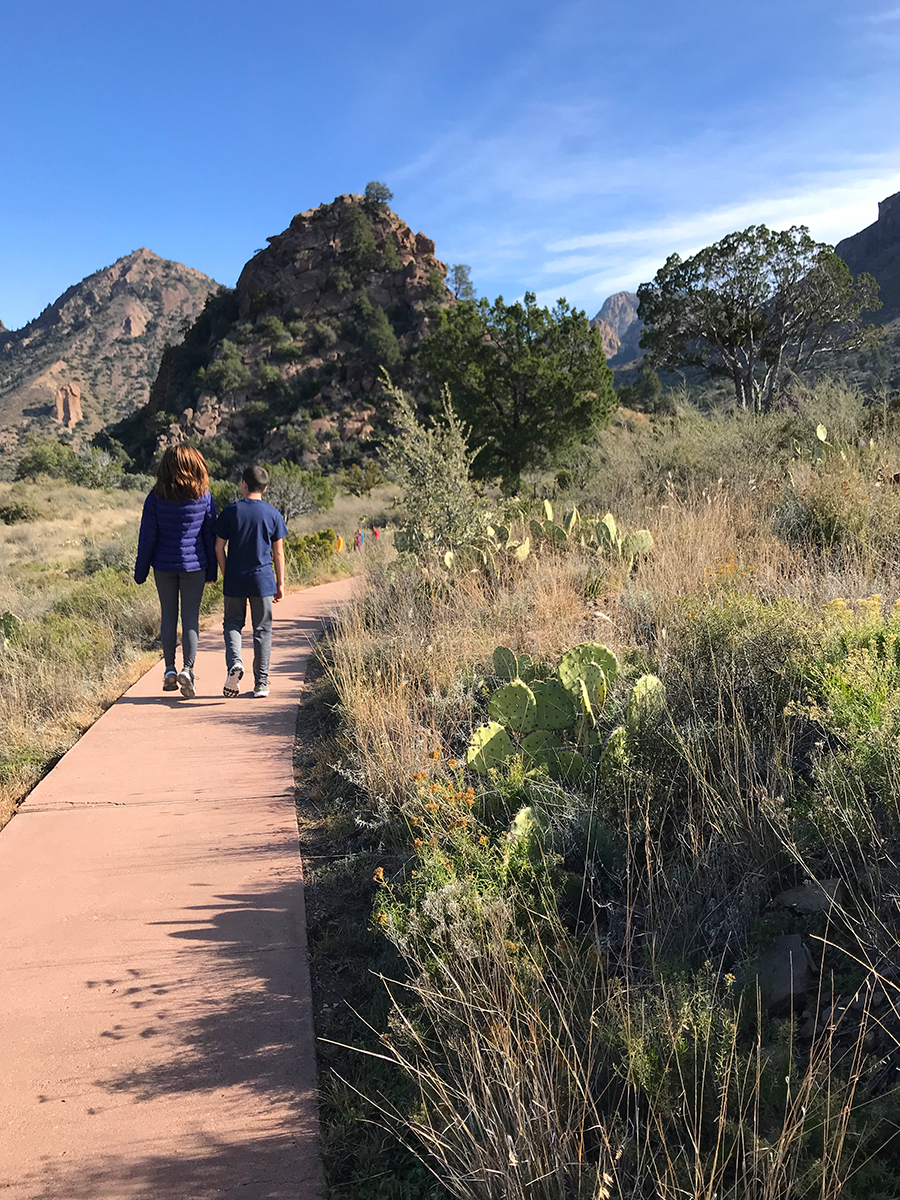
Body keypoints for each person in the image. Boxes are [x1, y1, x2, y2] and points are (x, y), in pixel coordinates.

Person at [134, 445, 217, 698]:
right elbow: (209, 536)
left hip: (164, 565)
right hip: (194, 565)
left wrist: (141, 571)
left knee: (168, 615)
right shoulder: (204, 497)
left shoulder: (155, 498)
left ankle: (169, 670)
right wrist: (212, 570)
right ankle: (188, 670)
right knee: (190, 618)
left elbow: (147, 538)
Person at [214, 464, 288, 699]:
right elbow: (278, 553)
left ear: (243, 484)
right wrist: (281, 583)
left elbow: (218, 547)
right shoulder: (273, 514)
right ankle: (261, 684)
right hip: (263, 579)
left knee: (233, 623)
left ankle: (235, 663)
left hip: (235, 577)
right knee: (262, 630)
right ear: (265, 488)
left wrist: (227, 573)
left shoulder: (230, 511)